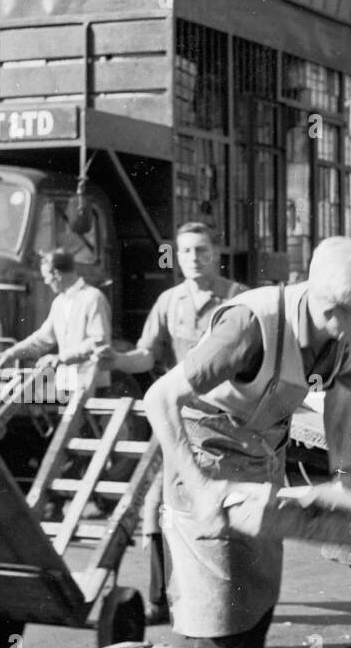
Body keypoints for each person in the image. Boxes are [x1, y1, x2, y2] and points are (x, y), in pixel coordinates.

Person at [144, 236, 351, 648]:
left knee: (256, 596)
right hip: (202, 460)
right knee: (217, 606)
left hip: (261, 461)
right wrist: (200, 486)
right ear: (330, 310)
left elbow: (341, 401)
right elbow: (160, 397)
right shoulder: (249, 324)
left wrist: (344, 481)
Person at [97, 223, 246, 626]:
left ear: (217, 251)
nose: (193, 259)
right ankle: (159, 600)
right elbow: (147, 355)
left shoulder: (239, 301)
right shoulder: (169, 301)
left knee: (228, 510)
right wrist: (117, 359)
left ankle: (235, 600)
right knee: (157, 506)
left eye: (201, 250)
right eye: (184, 252)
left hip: (228, 425)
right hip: (179, 423)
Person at [0, 249, 112, 395]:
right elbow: (42, 339)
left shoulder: (93, 298)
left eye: (46, 276)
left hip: (91, 384)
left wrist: (61, 358)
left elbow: (99, 341)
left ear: (57, 274)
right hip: (67, 384)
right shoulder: (59, 302)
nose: (46, 281)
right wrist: (10, 353)